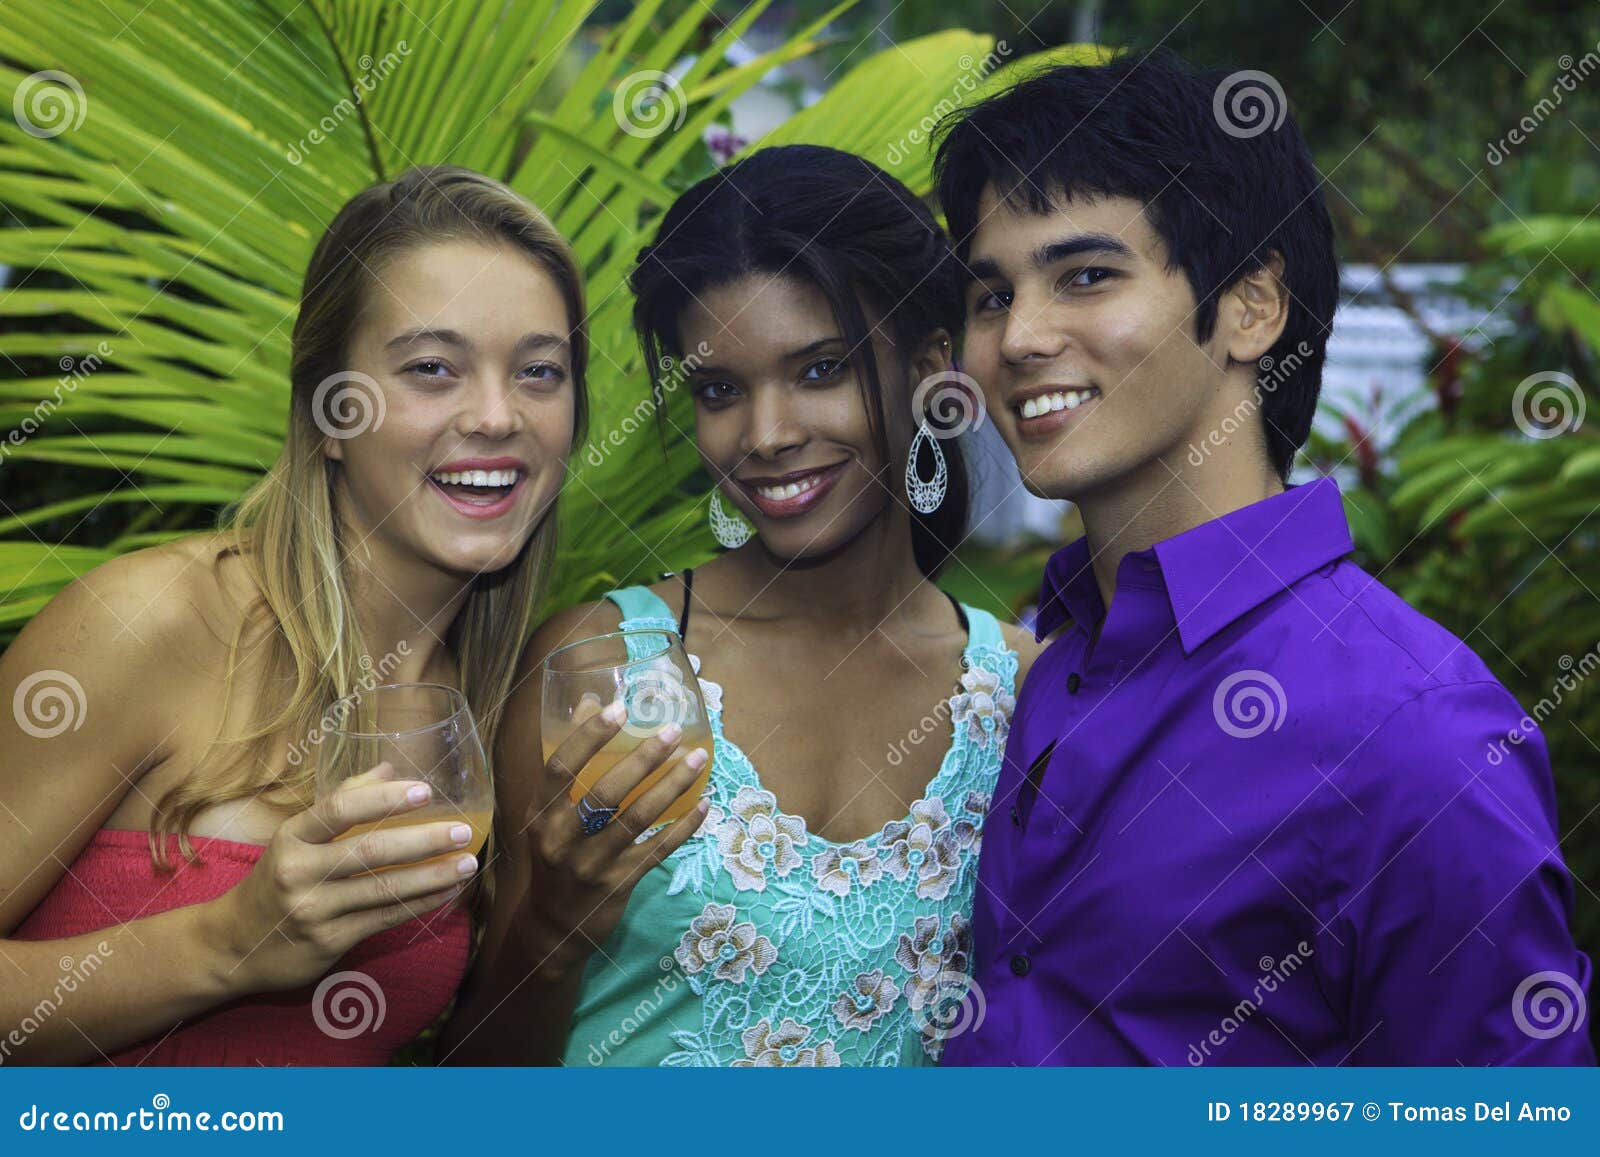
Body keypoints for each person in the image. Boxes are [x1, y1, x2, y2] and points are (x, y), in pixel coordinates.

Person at [928, 49, 1595, 1066]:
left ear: (1252, 306)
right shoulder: (1046, 656)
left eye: (1086, 276)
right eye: (988, 295)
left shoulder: (1415, 736)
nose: (1017, 336)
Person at [444, 144, 1043, 1066]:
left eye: (820, 370)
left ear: (929, 368)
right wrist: (551, 926)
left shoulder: (1024, 695)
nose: (766, 435)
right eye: (721, 390)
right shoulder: (606, 664)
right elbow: (471, 1089)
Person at [0, 166, 587, 1064]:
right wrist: (226, 943)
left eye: (540, 371)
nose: (499, 415)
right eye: (433, 368)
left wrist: (560, 912)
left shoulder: (501, 702)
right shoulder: (153, 622)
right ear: (327, 414)